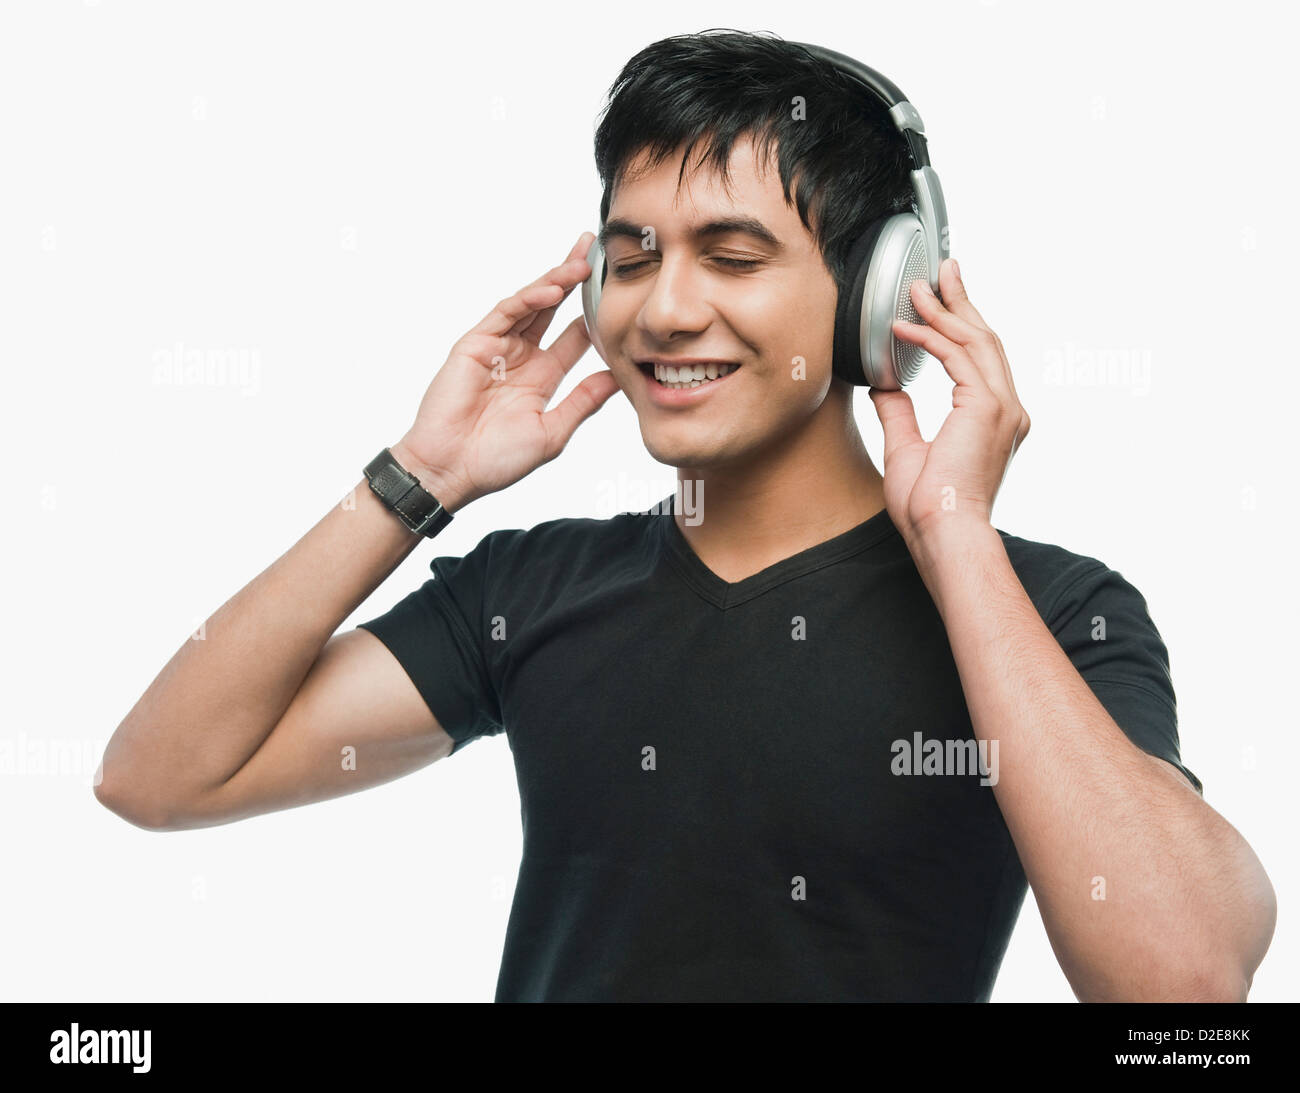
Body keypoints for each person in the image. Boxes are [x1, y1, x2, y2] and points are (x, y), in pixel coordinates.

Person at [95, 29, 1275, 1002]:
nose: (664, 308)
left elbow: (1181, 984)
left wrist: (957, 538)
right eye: (634, 254)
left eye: (732, 254)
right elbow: (159, 777)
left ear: (877, 298)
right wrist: (418, 478)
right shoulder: (525, 592)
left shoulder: (1053, 613)